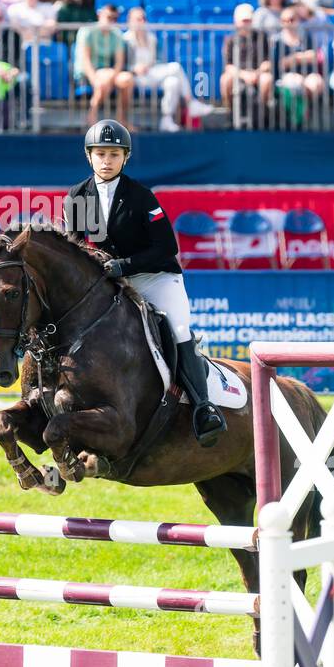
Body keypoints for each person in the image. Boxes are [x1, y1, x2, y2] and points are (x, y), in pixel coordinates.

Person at [65, 120, 226, 445]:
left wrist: (122, 265)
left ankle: (203, 408)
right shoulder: (78, 196)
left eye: (114, 154)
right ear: (89, 157)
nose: (106, 161)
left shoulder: (140, 196)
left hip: (154, 278)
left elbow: (167, 247)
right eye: (100, 154)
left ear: (125, 158)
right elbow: (74, 246)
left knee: (179, 330)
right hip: (111, 284)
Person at [124, 6, 204, 131]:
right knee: (176, 67)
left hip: (152, 74)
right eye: (138, 19)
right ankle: (190, 103)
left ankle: (166, 120)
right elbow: (121, 65)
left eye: (143, 18)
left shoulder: (151, 38)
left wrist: (150, 65)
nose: (142, 22)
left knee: (173, 82)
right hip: (136, 78)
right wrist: (134, 69)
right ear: (130, 21)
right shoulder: (125, 40)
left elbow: (159, 60)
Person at [74, 4, 134, 125]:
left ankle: (122, 120)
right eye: (108, 17)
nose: (111, 21)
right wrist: (94, 79)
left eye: (114, 18)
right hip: (87, 72)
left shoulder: (116, 34)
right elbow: (85, 61)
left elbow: (119, 62)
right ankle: (92, 116)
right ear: (99, 15)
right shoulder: (87, 31)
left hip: (108, 72)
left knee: (127, 79)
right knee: (102, 81)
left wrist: (112, 76)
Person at [271, 6, 325, 125]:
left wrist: (295, 57)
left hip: (308, 74)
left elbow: (315, 56)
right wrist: (303, 56)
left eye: (291, 19)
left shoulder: (306, 36)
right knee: (296, 83)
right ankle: (299, 119)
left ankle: (312, 117)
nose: (288, 23)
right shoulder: (277, 40)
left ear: (298, 20)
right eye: (285, 20)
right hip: (286, 77)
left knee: (317, 83)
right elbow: (281, 64)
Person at [220, 3, 273, 116]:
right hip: (238, 75)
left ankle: (261, 114)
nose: (246, 23)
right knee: (225, 80)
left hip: (258, 74)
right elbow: (228, 66)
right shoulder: (230, 40)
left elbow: (267, 62)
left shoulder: (262, 37)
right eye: (244, 20)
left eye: (248, 20)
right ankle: (230, 113)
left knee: (267, 79)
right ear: (237, 21)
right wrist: (244, 75)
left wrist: (256, 73)